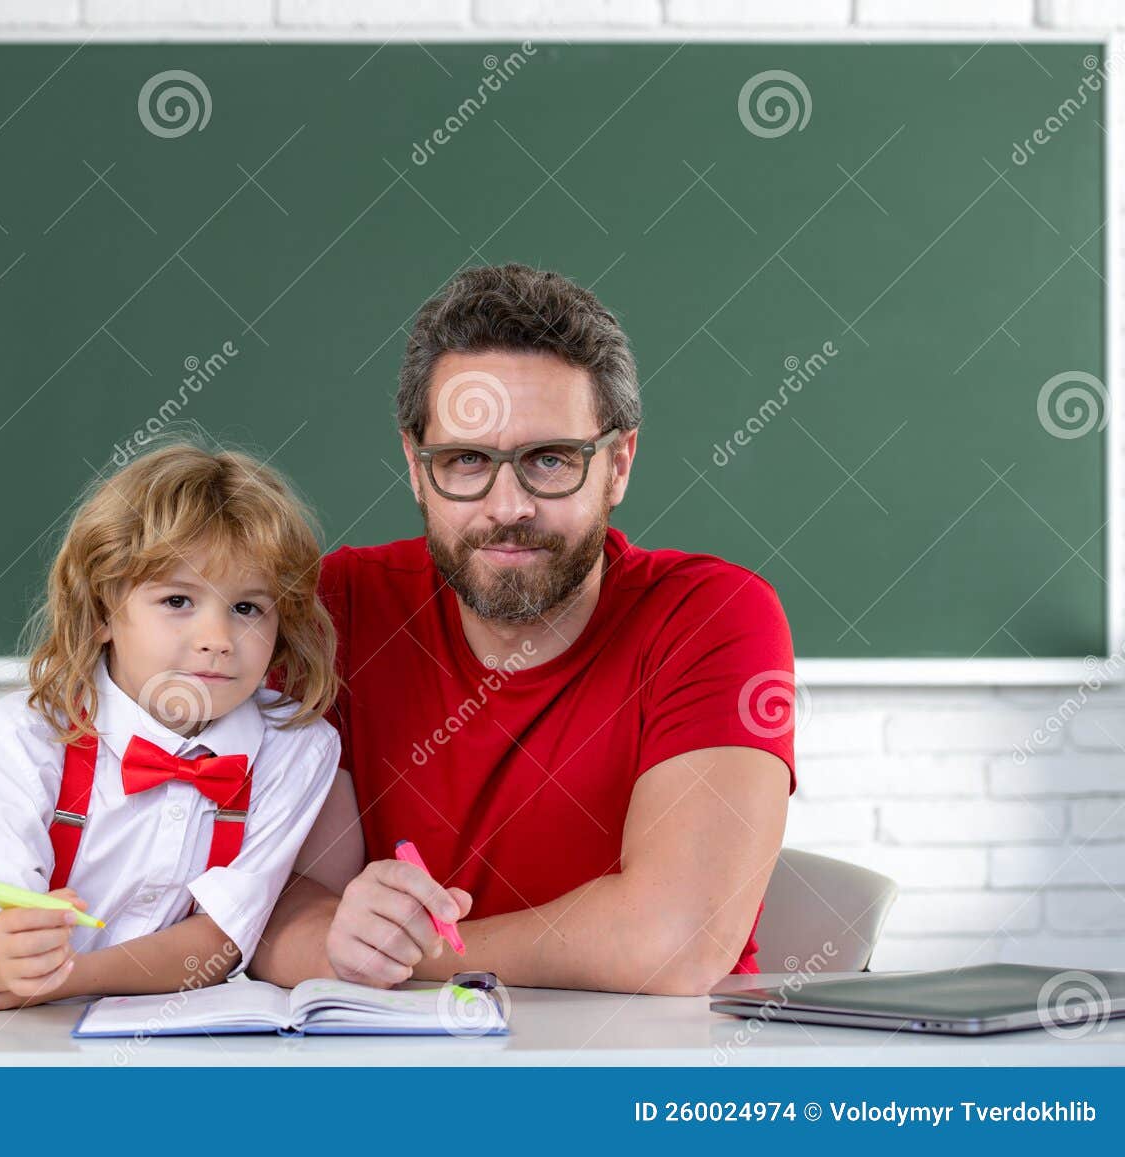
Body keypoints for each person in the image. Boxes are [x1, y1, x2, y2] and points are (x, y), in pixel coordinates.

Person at [252, 263, 797, 997]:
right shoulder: (339, 607)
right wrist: (328, 935)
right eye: (466, 461)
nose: (508, 505)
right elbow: (260, 914)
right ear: (416, 467)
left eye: (550, 460)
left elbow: (674, 942)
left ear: (618, 465)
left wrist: (393, 953)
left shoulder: (714, 615)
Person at [0, 443, 341, 1007]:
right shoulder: (11, 744)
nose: (217, 638)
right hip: (1, 1046)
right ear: (104, 610)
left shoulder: (296, 751)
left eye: (248, 608)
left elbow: (217, 943)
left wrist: (63, 980)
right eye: (178, 599)